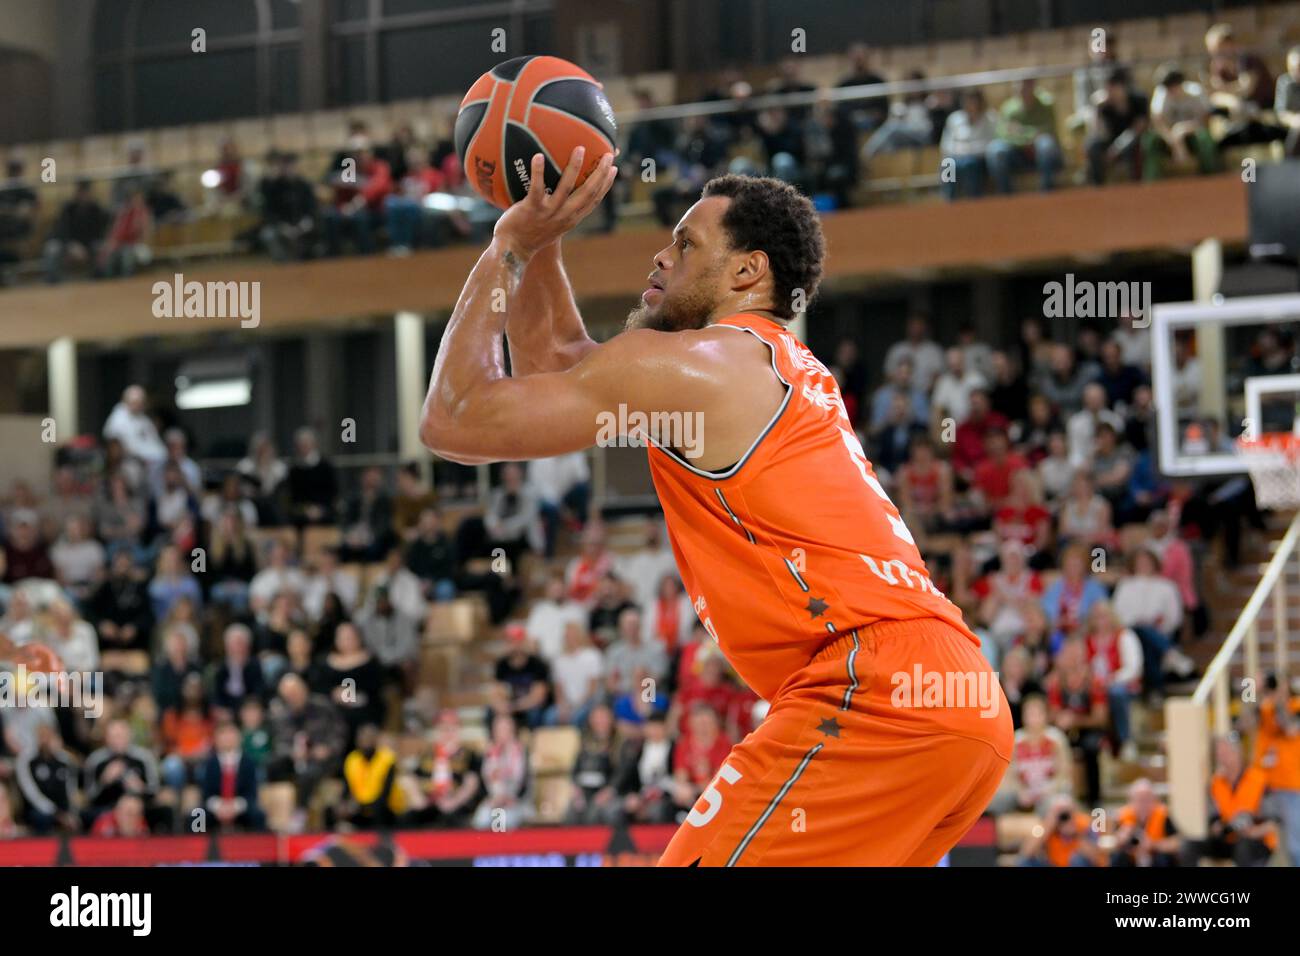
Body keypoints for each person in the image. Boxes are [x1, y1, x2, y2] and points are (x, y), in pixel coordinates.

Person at [419, 151, 1011, 865]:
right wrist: (544, 236)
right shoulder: (754, 367)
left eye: (686, 243)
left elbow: (454, 419)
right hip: (958, 701)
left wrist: (508, 246)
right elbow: (563, 364)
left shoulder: (707, 366)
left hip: (876, 690)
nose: (660, 256)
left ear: (746, 272)